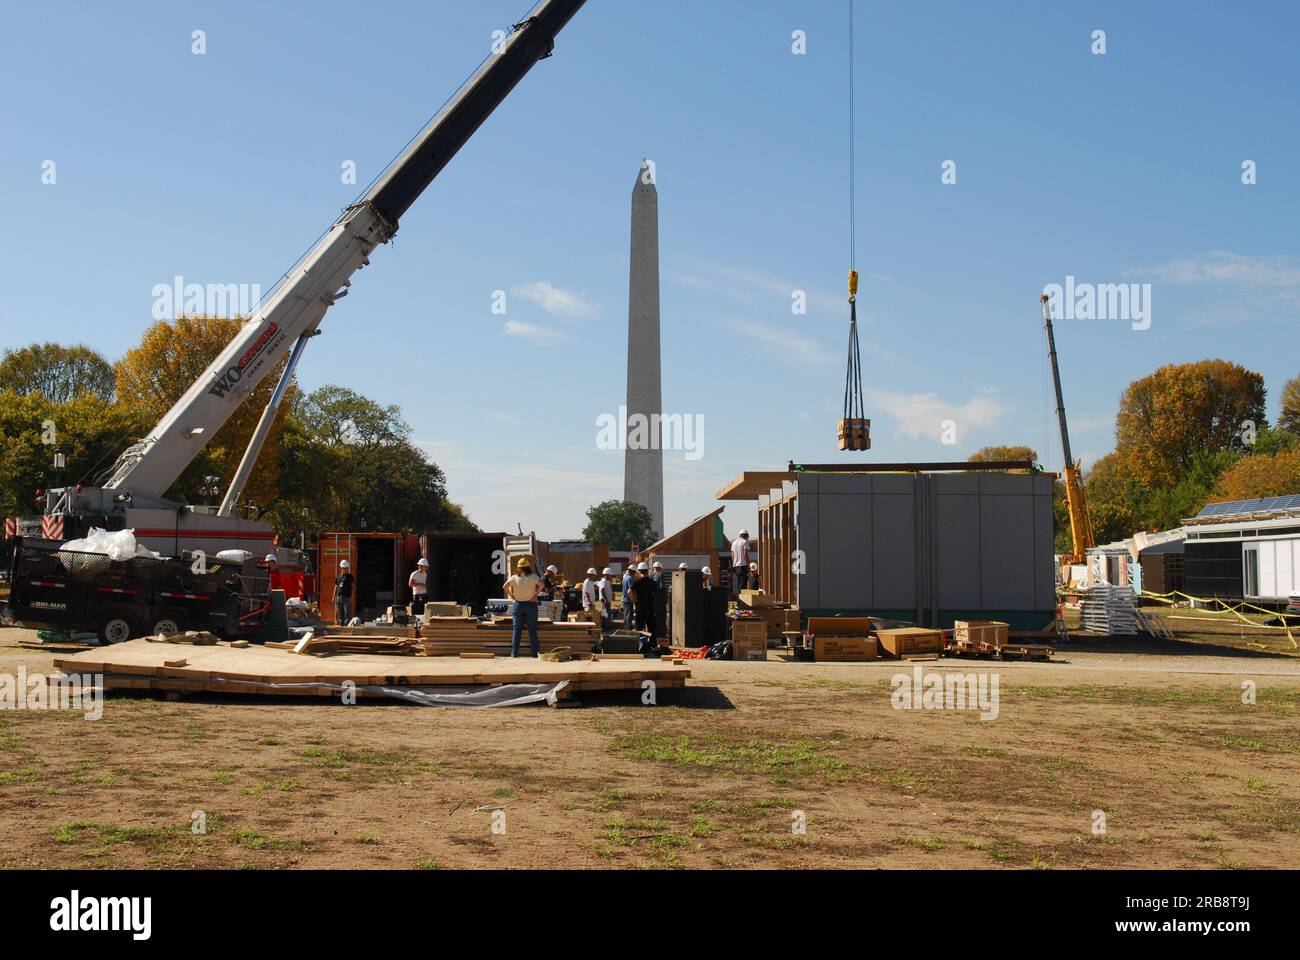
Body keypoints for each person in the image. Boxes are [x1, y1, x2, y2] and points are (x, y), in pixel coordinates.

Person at [505, 557, 544, 657]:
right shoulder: (533, 576)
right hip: (531, 605)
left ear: (519, 567)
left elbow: (504, 586)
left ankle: (514, 654)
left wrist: (511, 595)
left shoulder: (514, 577)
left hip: (518, 605)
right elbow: (542, 585)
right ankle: (535, 654)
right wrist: (536, 594)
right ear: (528, 567)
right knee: (532, 630)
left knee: (517, 630)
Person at [630, 560, 658, 641]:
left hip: (640, 608)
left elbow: (629, 591)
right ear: (647, 570)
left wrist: (634, 600)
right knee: (651, 628)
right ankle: (652, 645)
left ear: (638, 571)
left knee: (639, 628)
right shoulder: (653, 583)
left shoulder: (637, 582)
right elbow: (655, 594)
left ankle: (639, 645)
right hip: (650, 608)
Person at [731, 529, 751, 596]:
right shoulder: (745, 542)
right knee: (743, 585)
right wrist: (748, 566)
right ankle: (742, 602)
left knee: (739, 583)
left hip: (736, 566)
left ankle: (739, 600)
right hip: (743, 566)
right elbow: (745, 554)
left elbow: (732, 555)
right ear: (746, 535)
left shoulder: (734, 543)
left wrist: (734, 564)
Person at [334, 559, 354, 625]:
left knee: (347, 614)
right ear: (341, 568)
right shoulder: (338, 577)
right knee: (340, 613)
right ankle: (341, 626)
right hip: (339, 597)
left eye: (347, 568)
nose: (346, 569)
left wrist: (351, 595)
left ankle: (347, 627)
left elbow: (352, 586)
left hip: (347, 597)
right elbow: (336, 587)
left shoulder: (350, 577)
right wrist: (333, 596)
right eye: (344, 568)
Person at [598, 567, 616, 632]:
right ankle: (605, 628)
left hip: (606, 600)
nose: (611, 576)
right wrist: (605, 599)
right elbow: (602, 590)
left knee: (606, 613)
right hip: (604, 600)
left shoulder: (606, 581)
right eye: (610, 575)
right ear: (607, 574)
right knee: (605, 613)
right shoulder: (603, 581)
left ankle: (606, 627)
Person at [621, 564, 635, 629]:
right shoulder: (630, 578)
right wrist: (632, 599)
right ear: (632, 571)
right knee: (629, 615)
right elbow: (630, 591)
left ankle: (625, 627)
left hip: (624, 599)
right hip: (628, 599)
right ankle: (628, 628)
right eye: (634, 572)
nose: (634, 574)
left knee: (625, 614)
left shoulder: (625, 578)